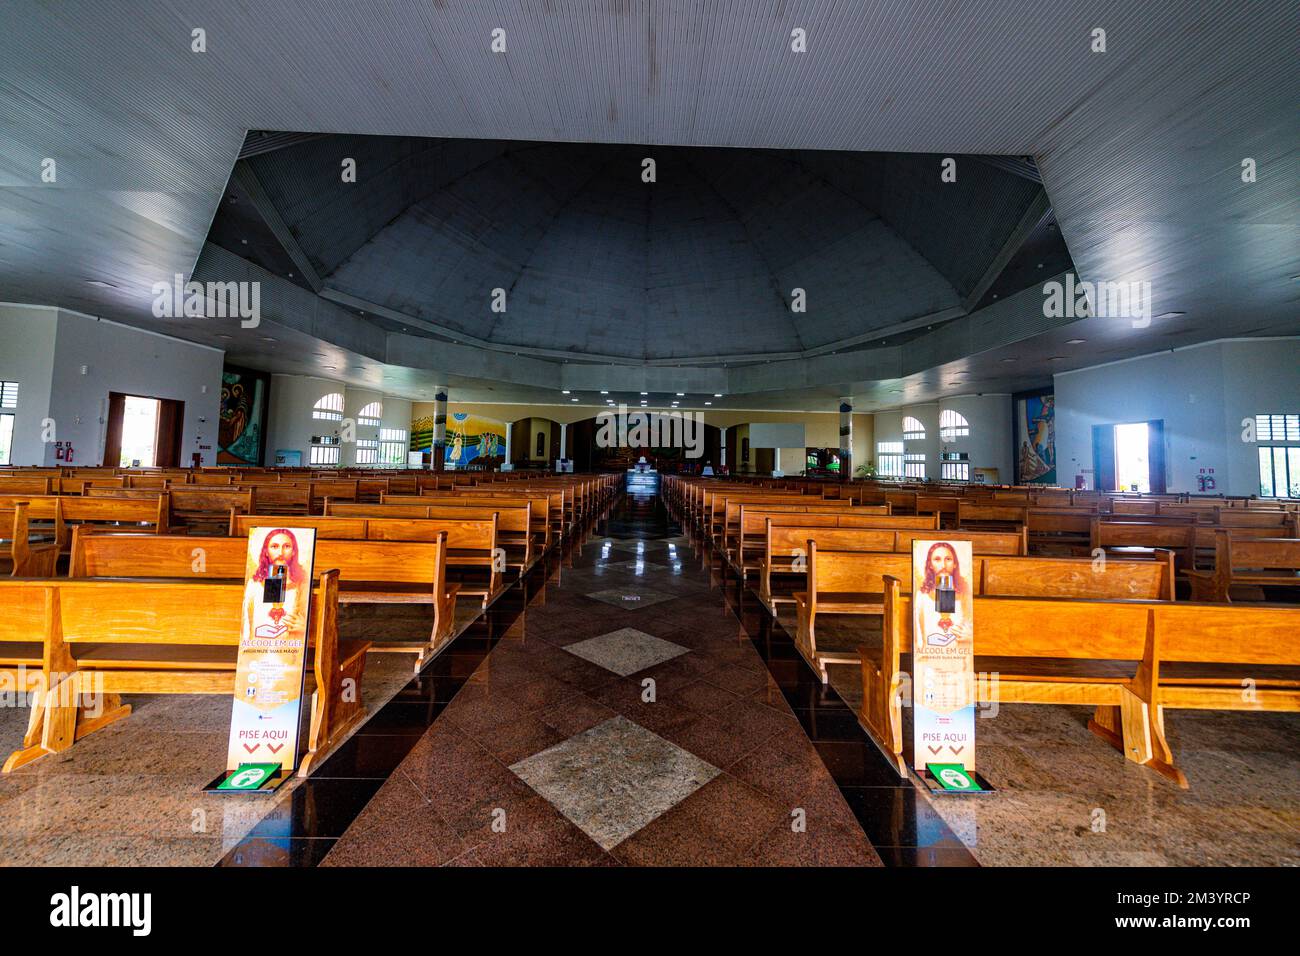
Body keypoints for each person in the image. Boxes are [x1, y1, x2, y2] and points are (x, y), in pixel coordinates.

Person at [243, 528, 310, 640]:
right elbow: (246, 623)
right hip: (257, 649)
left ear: (294, 552)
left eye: (286, 546)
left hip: (290, 650)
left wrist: (305, 628)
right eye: (274, 546)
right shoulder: (255, 584)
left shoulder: (302, 584)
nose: (280, 553)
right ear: (266, 552)